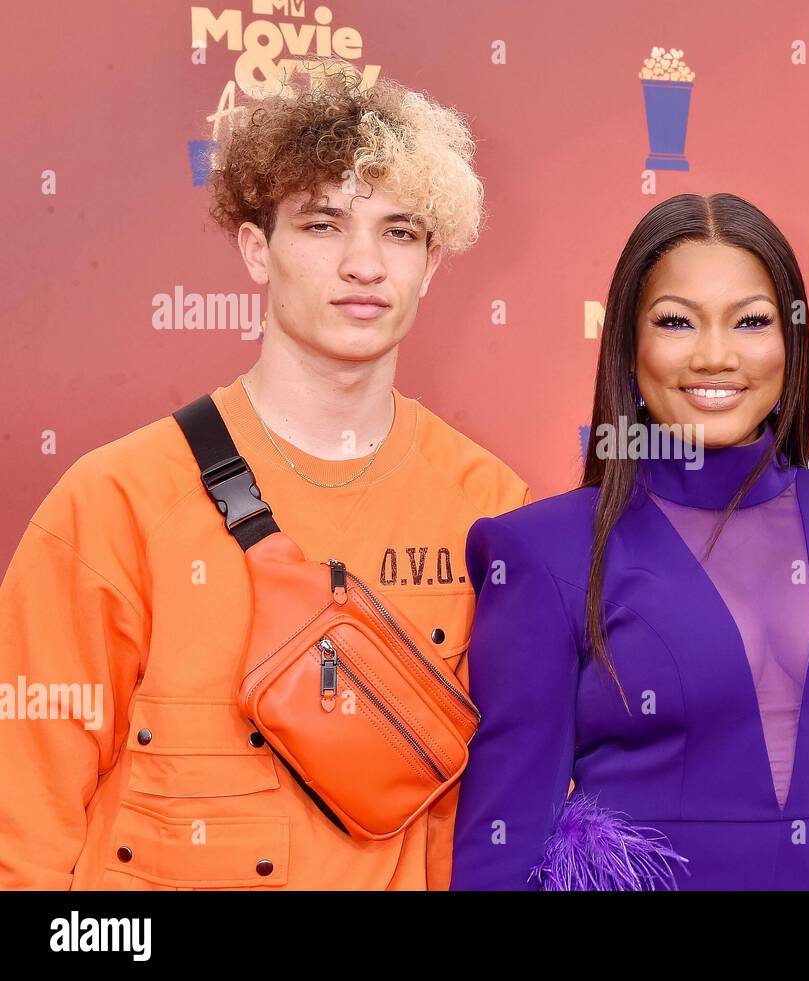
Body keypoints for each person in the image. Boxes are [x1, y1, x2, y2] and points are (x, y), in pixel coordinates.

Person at [0, 64, 528, 889]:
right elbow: (22, 824)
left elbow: (491, 816)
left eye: (399, 231)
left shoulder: (491, 508)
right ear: (257, 249)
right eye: (323, 224)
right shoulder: (115, 501)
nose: (364, 264)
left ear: (431, 264)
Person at [449, 192, 809, 890]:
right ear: (628, 345)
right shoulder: (543, 552)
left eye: (751, 321)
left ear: (791, 342)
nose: (716, 356)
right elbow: (503, 846)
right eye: (676, 321)